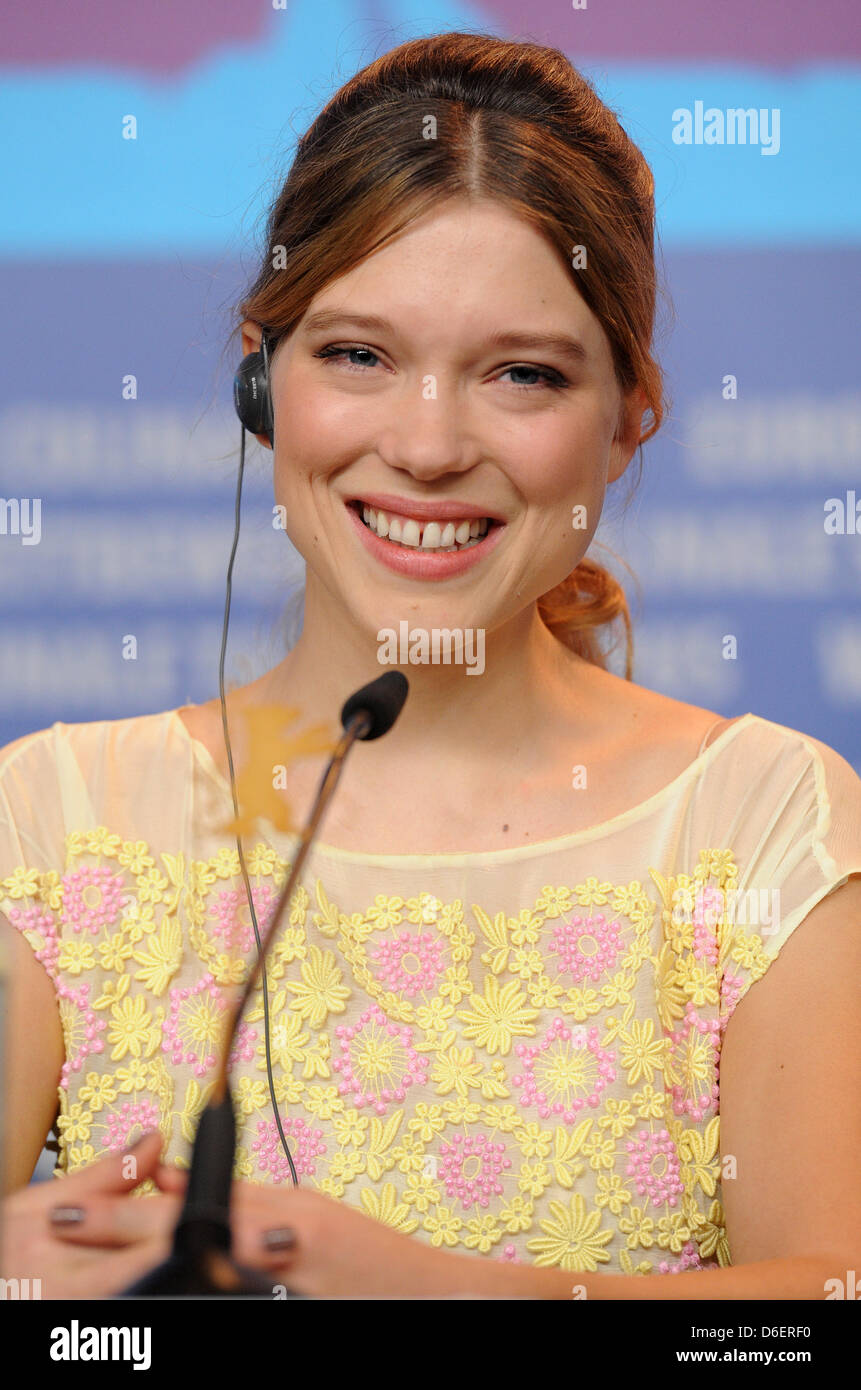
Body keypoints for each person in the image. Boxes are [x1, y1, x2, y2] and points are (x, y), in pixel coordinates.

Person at [2, 31, 860, 1301]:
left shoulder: (768, 823)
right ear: (262, 381)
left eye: (522, 374)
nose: (427, 443)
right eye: (358, 355)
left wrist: (433, 1290)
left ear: (629, 420)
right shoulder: (51, 821)